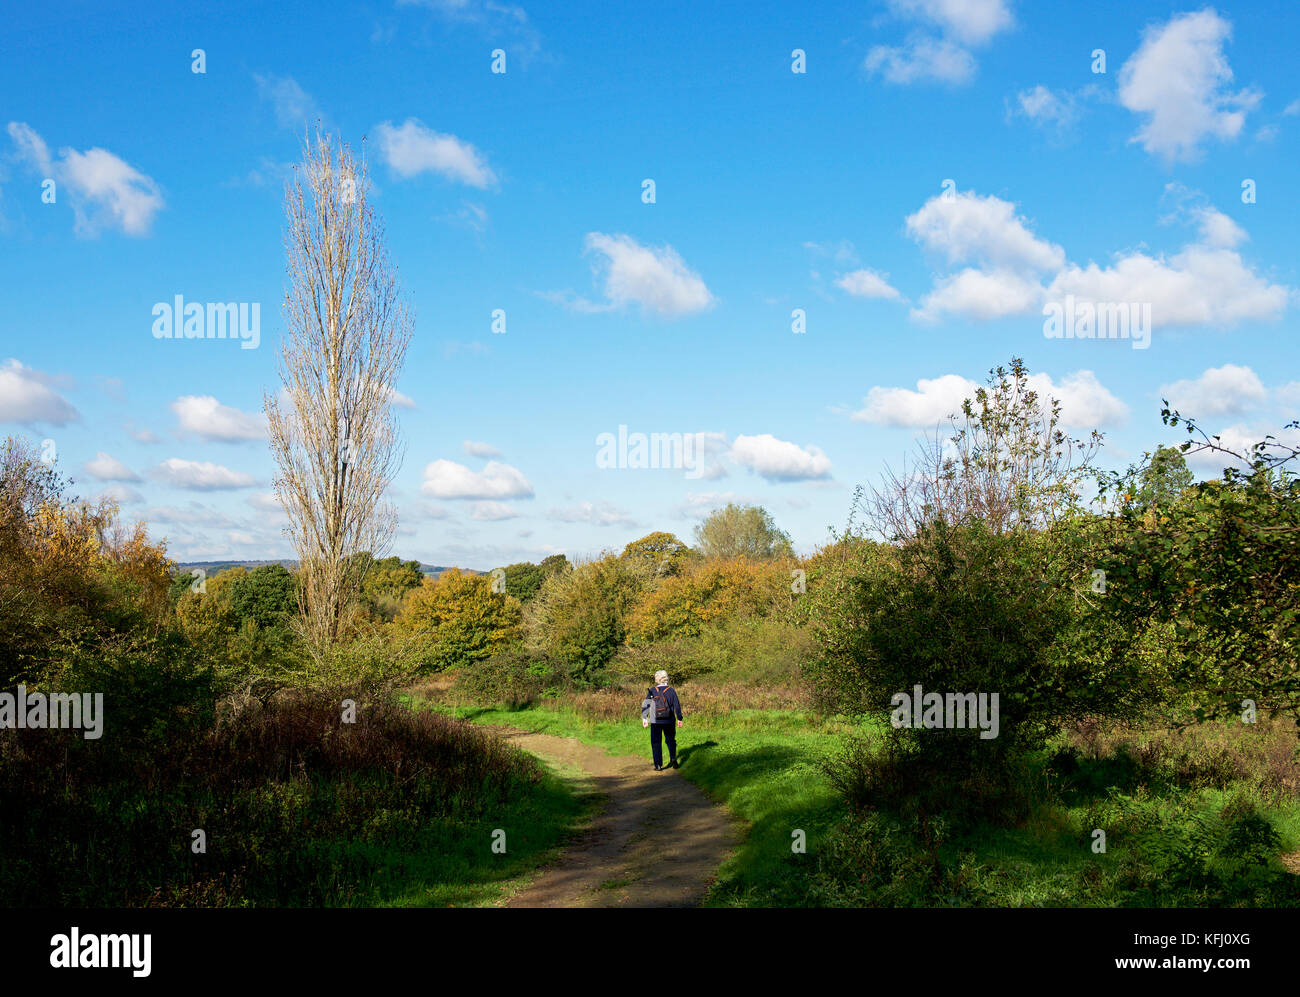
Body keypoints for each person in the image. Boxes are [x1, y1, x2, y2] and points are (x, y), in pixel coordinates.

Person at [641, 669, 684, 771]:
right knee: (670, 740)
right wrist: (679, 718)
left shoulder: (652, 690)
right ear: (666, 678)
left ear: (657, 679)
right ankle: (673, 758)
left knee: (656, 742)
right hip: (669, 720)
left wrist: (644, 718)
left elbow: (646, 704)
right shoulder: (671, 690)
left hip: (655, 720)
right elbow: (677, 705)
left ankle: (658, 765)